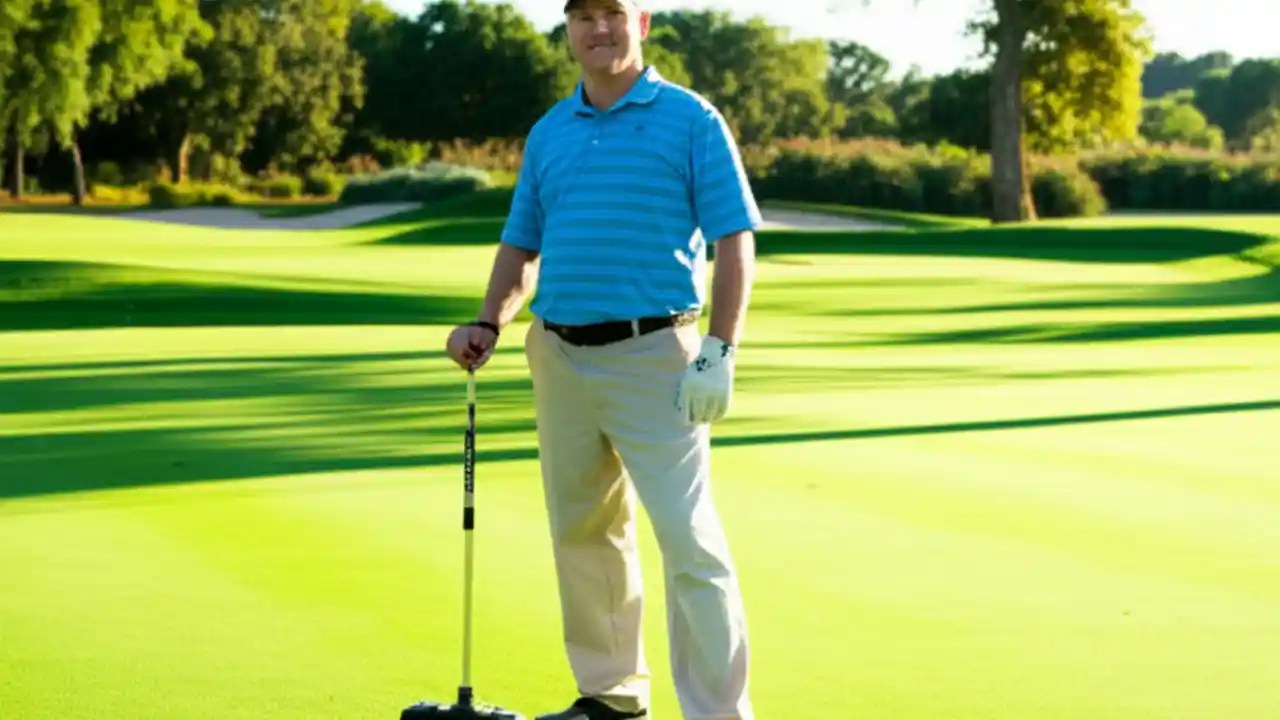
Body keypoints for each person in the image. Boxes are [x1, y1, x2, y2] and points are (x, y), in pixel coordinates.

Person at [444, 0, 760, 717]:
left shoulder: (691, 120)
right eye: (582, 15)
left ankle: (718, 712)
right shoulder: (551, 131)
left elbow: (734, 238)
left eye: (613, 12)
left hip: (656, 354)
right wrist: (488, 321)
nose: (599, 28)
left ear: (642, 23)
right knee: (584, 533)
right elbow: (523, 245)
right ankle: (612, 697)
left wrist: (720, 348)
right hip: (559, 354)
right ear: (568, 32)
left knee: (689, 543)